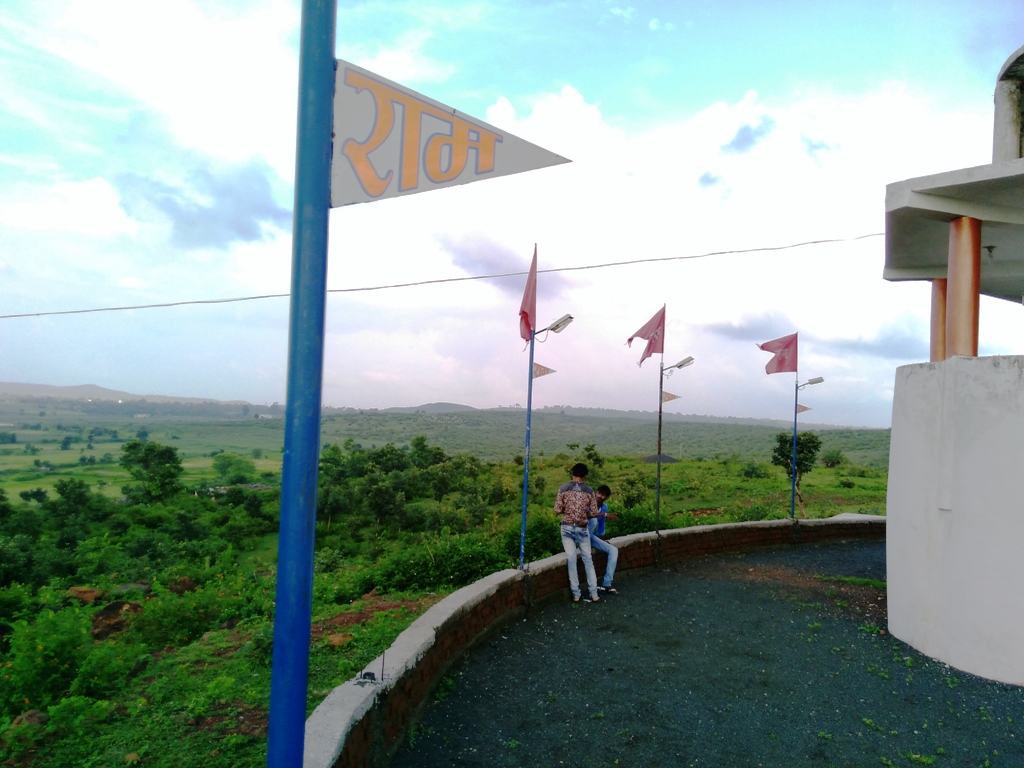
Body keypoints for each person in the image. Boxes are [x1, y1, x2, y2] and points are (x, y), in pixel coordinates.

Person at [553, 462, 600, 603]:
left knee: (571, 559)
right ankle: (594, 594)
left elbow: (556, 510)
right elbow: (594, 512)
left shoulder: (563, 488)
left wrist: (567, 510)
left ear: (572, 474)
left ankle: (576, 594)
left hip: (567, 527)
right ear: (585, 475)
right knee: (588, 560)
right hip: (582, 528)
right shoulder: (589, 491)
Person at [590, 484, 619, 595]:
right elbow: (589, 514)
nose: (600, 497)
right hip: (580, 534)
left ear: (606, 498)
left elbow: (601, 527)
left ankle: (607, 582)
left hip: (591, 537)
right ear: (596, 493)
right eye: (599, 494)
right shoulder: (589, 503)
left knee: (613, 550)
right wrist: (605, 514)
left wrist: (602, 540)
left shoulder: (604, 507)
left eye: (603, 495)